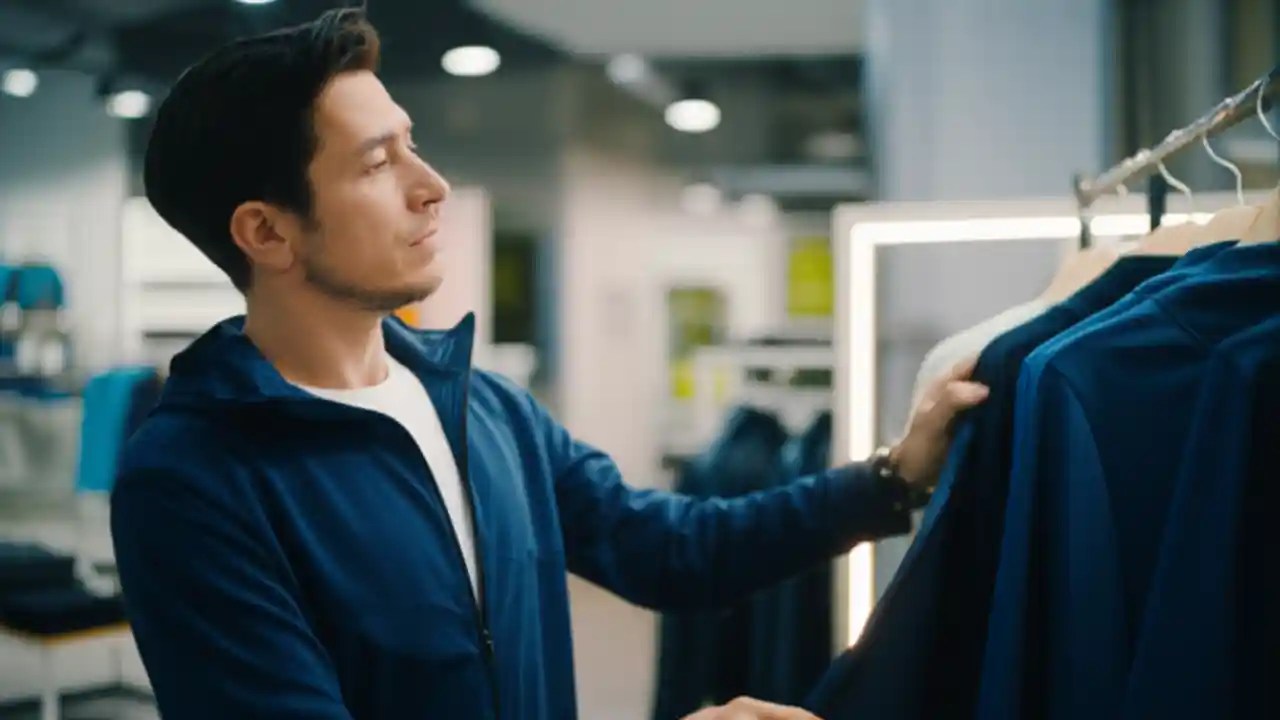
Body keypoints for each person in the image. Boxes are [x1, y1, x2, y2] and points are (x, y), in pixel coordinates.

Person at [108, 8, 987, 720]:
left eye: (411, 143)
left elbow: (673, 549)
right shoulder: (192, 480)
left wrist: (892, 476)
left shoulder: (481, 408)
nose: (432, 184)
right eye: (379, 162)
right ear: (267, 231)